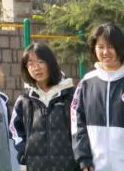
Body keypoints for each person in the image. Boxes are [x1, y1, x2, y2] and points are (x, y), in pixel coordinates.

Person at [71, 23, 124, 171]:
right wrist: (84, 159)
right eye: (100, 47)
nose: (105, 52)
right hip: (96, 166)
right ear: (94, 49)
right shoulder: (86, 83)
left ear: (120, 47)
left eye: (110, 46)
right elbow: (77, 125)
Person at [9, 42, 79, 171]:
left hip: (69, 166)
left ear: (50, 63)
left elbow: (82, 129)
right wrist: (24, 150)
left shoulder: (71, 95)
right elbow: (14, 129)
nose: (36, 68)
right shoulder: (25, 100)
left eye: (40, 62)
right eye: (30, 64)